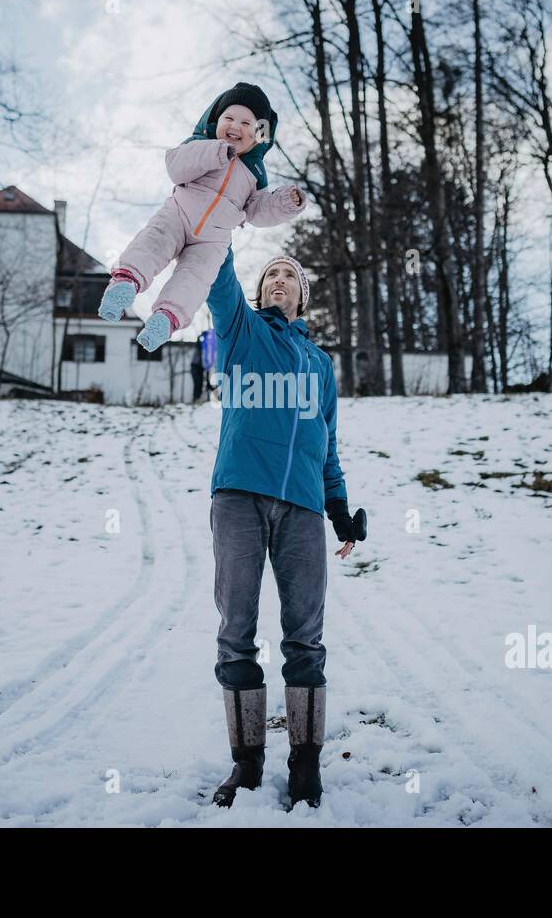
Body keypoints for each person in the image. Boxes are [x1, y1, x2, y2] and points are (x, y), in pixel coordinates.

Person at [204, 247, 367, 810]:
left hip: (301, 507)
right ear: (259, 291)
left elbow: (328, 444)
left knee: (305, 639)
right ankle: (246, 765)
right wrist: (224, 202)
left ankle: (305, 767)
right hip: (239, 497)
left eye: (290, 275)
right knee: (237, 631)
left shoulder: (320, 365)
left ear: (302, 294)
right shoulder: (240, 332)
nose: (279, 279)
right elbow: (218, 275)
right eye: (271, 273)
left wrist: (339, 508)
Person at [95, 82, 306, 351]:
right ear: (216, 120)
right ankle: (124, 285)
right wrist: (216, 152)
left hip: (213, 240)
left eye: (246, 123)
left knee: (196, 279)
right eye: (229, 118)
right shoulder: (200, 143)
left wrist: (286, 202)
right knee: (152, 243)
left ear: (258, 135)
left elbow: (257, 211)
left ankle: (165, 319)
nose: (235, 126)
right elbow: (176, 166)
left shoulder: (255, 170)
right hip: (178, 215)